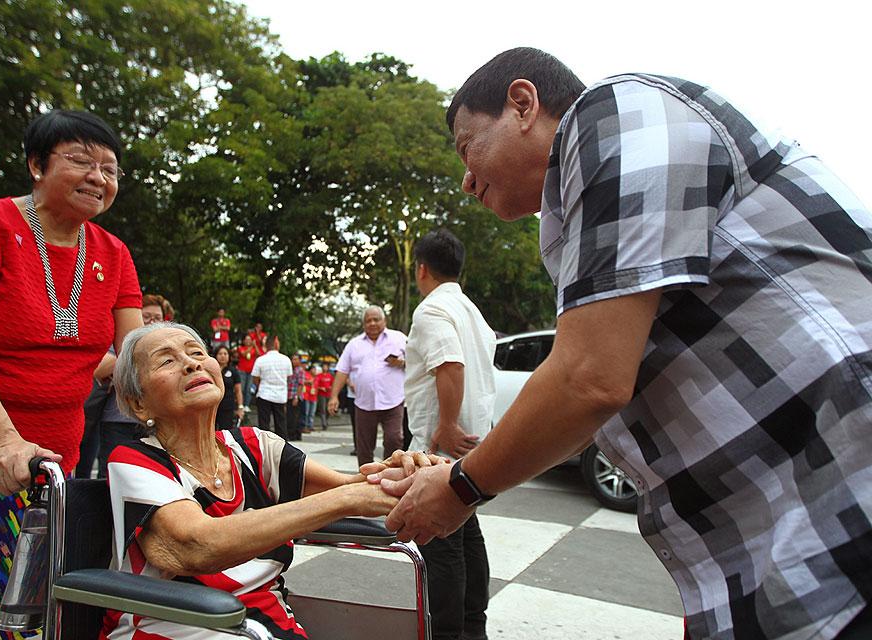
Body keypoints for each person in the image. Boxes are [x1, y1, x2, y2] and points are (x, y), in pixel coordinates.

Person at [373, 47, 872, 640]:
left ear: (523, 104)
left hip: (846, 473)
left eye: (467, 147)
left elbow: (589, 378)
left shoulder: (614, 114)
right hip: (782, 528)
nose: (466, 178)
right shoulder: (573, 221)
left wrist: (461, 486)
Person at [0, 109, 143, 638]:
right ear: (37, 165)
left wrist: (189, 403)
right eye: (81, 161)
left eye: (110, 170)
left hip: (51, 468)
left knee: (30, 609)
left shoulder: (112, 253)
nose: (98, 178)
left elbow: (134, 359)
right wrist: (2, 441)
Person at [103, 322, 445, 639]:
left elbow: (350, 487)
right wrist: (348, 499)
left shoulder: (253, 446)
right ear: (139, 403)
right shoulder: (134, 459)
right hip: (171, 625)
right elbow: (195, 545)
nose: (191, 364)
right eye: (166, 361)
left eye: (196, 353)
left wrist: (409, 473)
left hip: (265, 623)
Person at [403, 229, 496, 640]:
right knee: (466, 533)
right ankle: (474, 627)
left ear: (422, 269)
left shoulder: (431, 310)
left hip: (441, 447)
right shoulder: (472, 312)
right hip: (473, 444)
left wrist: (446, 425)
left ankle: (447, 632)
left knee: (440, 543)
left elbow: (450, 364)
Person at [91, 293, 169, 479]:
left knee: (151, 475)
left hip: (155, 422)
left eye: (157, 318)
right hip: (116, 420)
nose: (152, 322)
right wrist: (135, 356)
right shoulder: (121, 340)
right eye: (146, 316)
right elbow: (98, 369)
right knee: (111, 476)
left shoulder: (169, 344)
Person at [328, 306, 407, 467]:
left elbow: (418, 361)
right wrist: (334, 396)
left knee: (394, 439)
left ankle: (390, 474)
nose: (372, 323)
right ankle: (365, 478)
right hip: (364, 403)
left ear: (384, 321)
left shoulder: (399, 338)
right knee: (363, 446)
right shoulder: (354, 344)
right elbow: (342, 370)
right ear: (363, 324)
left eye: (376, 319)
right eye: (368, 321)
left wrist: (401, 362)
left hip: (393, 401)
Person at [251, 332, 292, 439]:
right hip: (280, 396)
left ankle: (265, 446)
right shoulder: (286, 359)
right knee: (281, 424)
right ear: (276, 342)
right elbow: (288, 377)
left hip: (264, 394)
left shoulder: (260, 360)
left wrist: (261, 385)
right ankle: (283, 446)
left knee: (264, 425)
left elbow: (255, 378)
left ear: (266, 345)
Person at [213, 345, 245, 429]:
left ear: (229, 356)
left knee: (226, 431)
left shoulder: (233, 371)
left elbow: (238, 391)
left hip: (227, 406)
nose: (223, 356)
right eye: (220, 354)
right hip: (212, 406)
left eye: (225, 354)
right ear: (216, 355)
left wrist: (240, 407)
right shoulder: (211, 370)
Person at [236, 334, 258, 411]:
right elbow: (244, 354)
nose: (248, 341)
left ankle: (247, 405)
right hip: (242, 371)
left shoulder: (253, 348)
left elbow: (258, 354)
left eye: (250, 340)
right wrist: (252, 346)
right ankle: (240, 404)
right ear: (244, 341)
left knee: (248, 389)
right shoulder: (240, 348)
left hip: (251, 372)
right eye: (247, 339)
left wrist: (255, 346)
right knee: (241, 389)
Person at [286, 353, 305, 441]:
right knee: (290, 416)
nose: (294, 361)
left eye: (296, 359)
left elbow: (301, 384)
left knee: (294, 417)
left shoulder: (300, 370)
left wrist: (296, 396)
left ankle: (295, 434)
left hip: (295, 396)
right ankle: (292, 434)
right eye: (293, 359)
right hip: (289, 395)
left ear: (300, 361)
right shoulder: (290, 369)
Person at [314, 364, 334, 430]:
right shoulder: (319, 376)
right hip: (321, 394)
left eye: (326, 367)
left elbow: (333, 384)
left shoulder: (330, 376)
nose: (325, 368)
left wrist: (330, 387)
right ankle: (324, 423)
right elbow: (316, 384)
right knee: (322, 409)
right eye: (324, 367)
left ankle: (326, 420)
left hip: (328, 394)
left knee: (328, 409)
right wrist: (321, 388)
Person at [301, 365, 318, 433]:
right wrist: (308, 382)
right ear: (310, 370)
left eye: (315, 370)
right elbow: (301, 381)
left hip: (314, 397)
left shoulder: (316, 377)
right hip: (306, 396)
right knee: (306, 412)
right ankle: (304, 426)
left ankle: (310, 426)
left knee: (312, 413)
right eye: (313, 369)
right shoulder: (306, 374)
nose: (315, 371)